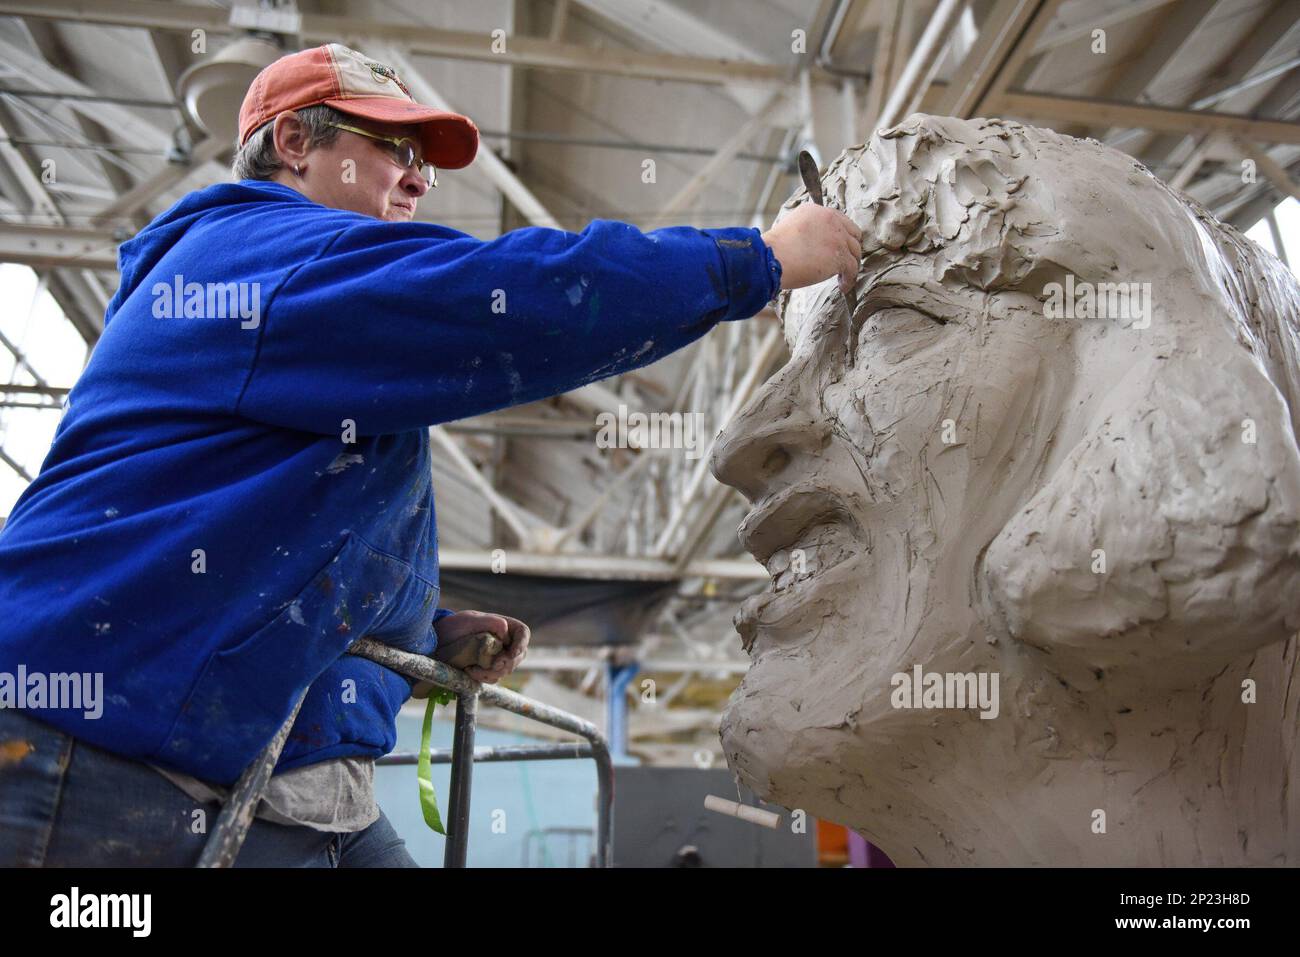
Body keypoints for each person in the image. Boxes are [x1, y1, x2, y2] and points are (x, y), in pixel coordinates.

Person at [0, 43, 861, 867]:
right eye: (392, 146)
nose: (419, 176)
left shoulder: (314, 319)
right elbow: (513, 301)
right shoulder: (256, 259)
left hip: (265, 770)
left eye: (426, 158)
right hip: (95, 746)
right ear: (296, 142)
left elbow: (271, 552)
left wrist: (423, 629)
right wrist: (755, 260)